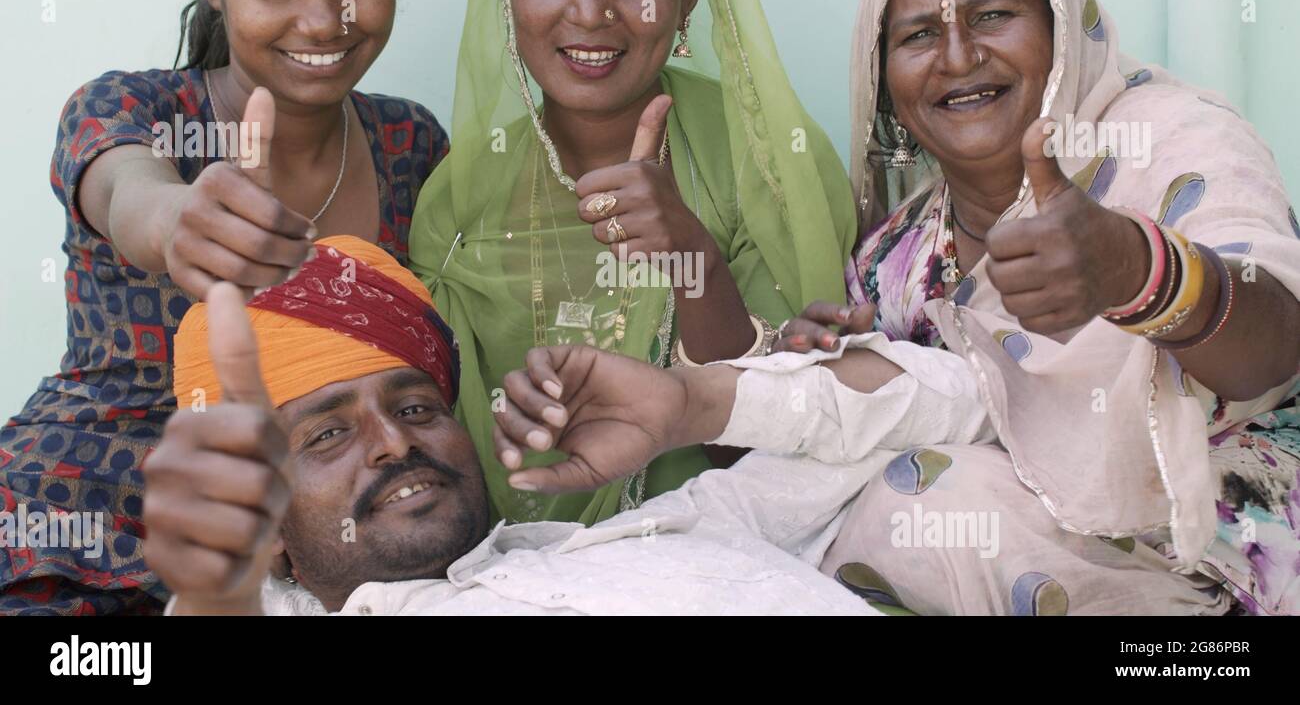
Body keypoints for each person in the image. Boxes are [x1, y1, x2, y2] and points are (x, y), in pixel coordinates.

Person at [774, 0, 1300, 614]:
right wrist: (823, 368)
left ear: (1061, 29)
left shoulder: (1173, 137)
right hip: (1052, 553)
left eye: (992, 15)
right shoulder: (894, 260)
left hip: (1236, 547)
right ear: (884, 86)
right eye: (920, 34)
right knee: (904, 505)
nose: (959, 56)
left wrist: (1136, 267)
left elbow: (1282, 340)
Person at [147, 235, 993, 615]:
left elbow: (976, 399)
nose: (396, 441)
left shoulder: (670, 530)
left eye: (415, 407)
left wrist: (692, 404)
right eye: (326, 434)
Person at [0, 0, 448, 615]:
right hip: (82, 527)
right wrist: (175, 218)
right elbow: (126, 188)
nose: (325, 21)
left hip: (304, 551)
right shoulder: (134, 110)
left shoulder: (411, 143)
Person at [407, 0, 858, 527]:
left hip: (731, 562)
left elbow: (778, 455)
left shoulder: (769, 163)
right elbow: (446, 467)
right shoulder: (459, 202)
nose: (590, 9)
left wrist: (692, 259)